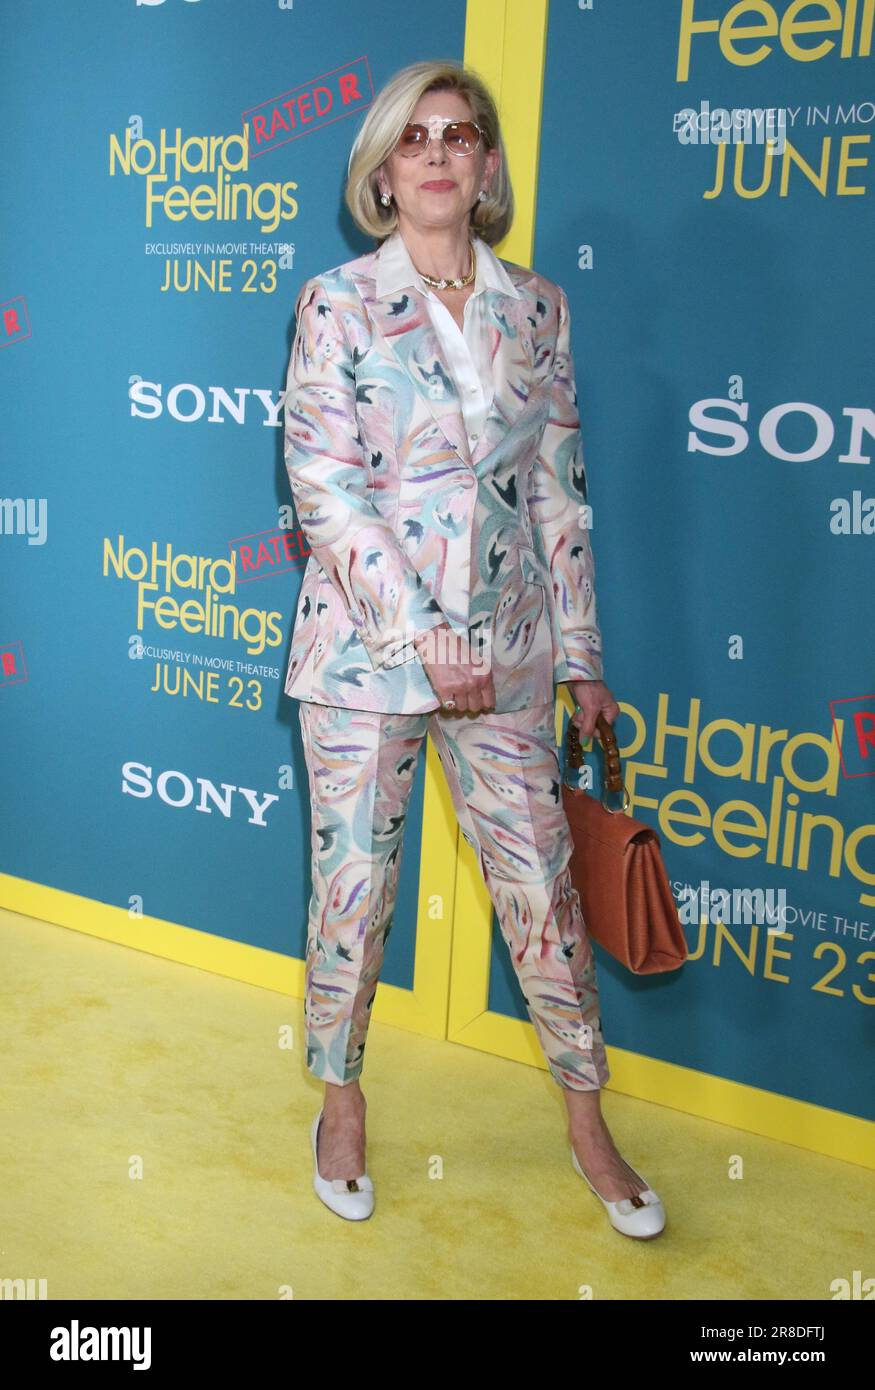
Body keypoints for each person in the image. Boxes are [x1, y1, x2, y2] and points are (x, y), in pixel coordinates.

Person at [282, 59, 665, 1238]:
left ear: (487, 165)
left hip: (506, 658)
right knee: (354, 888)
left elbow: (559, 495)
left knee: (541, 887)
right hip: (364, 657)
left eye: (462, 134)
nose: (440, 153)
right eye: (416, 138)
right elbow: (323, 487)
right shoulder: (336, 303)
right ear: (385, 173)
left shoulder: (537, 307)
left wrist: (583, 653)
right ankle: (340, 1100)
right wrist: (419, 632)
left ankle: (586, 1117)